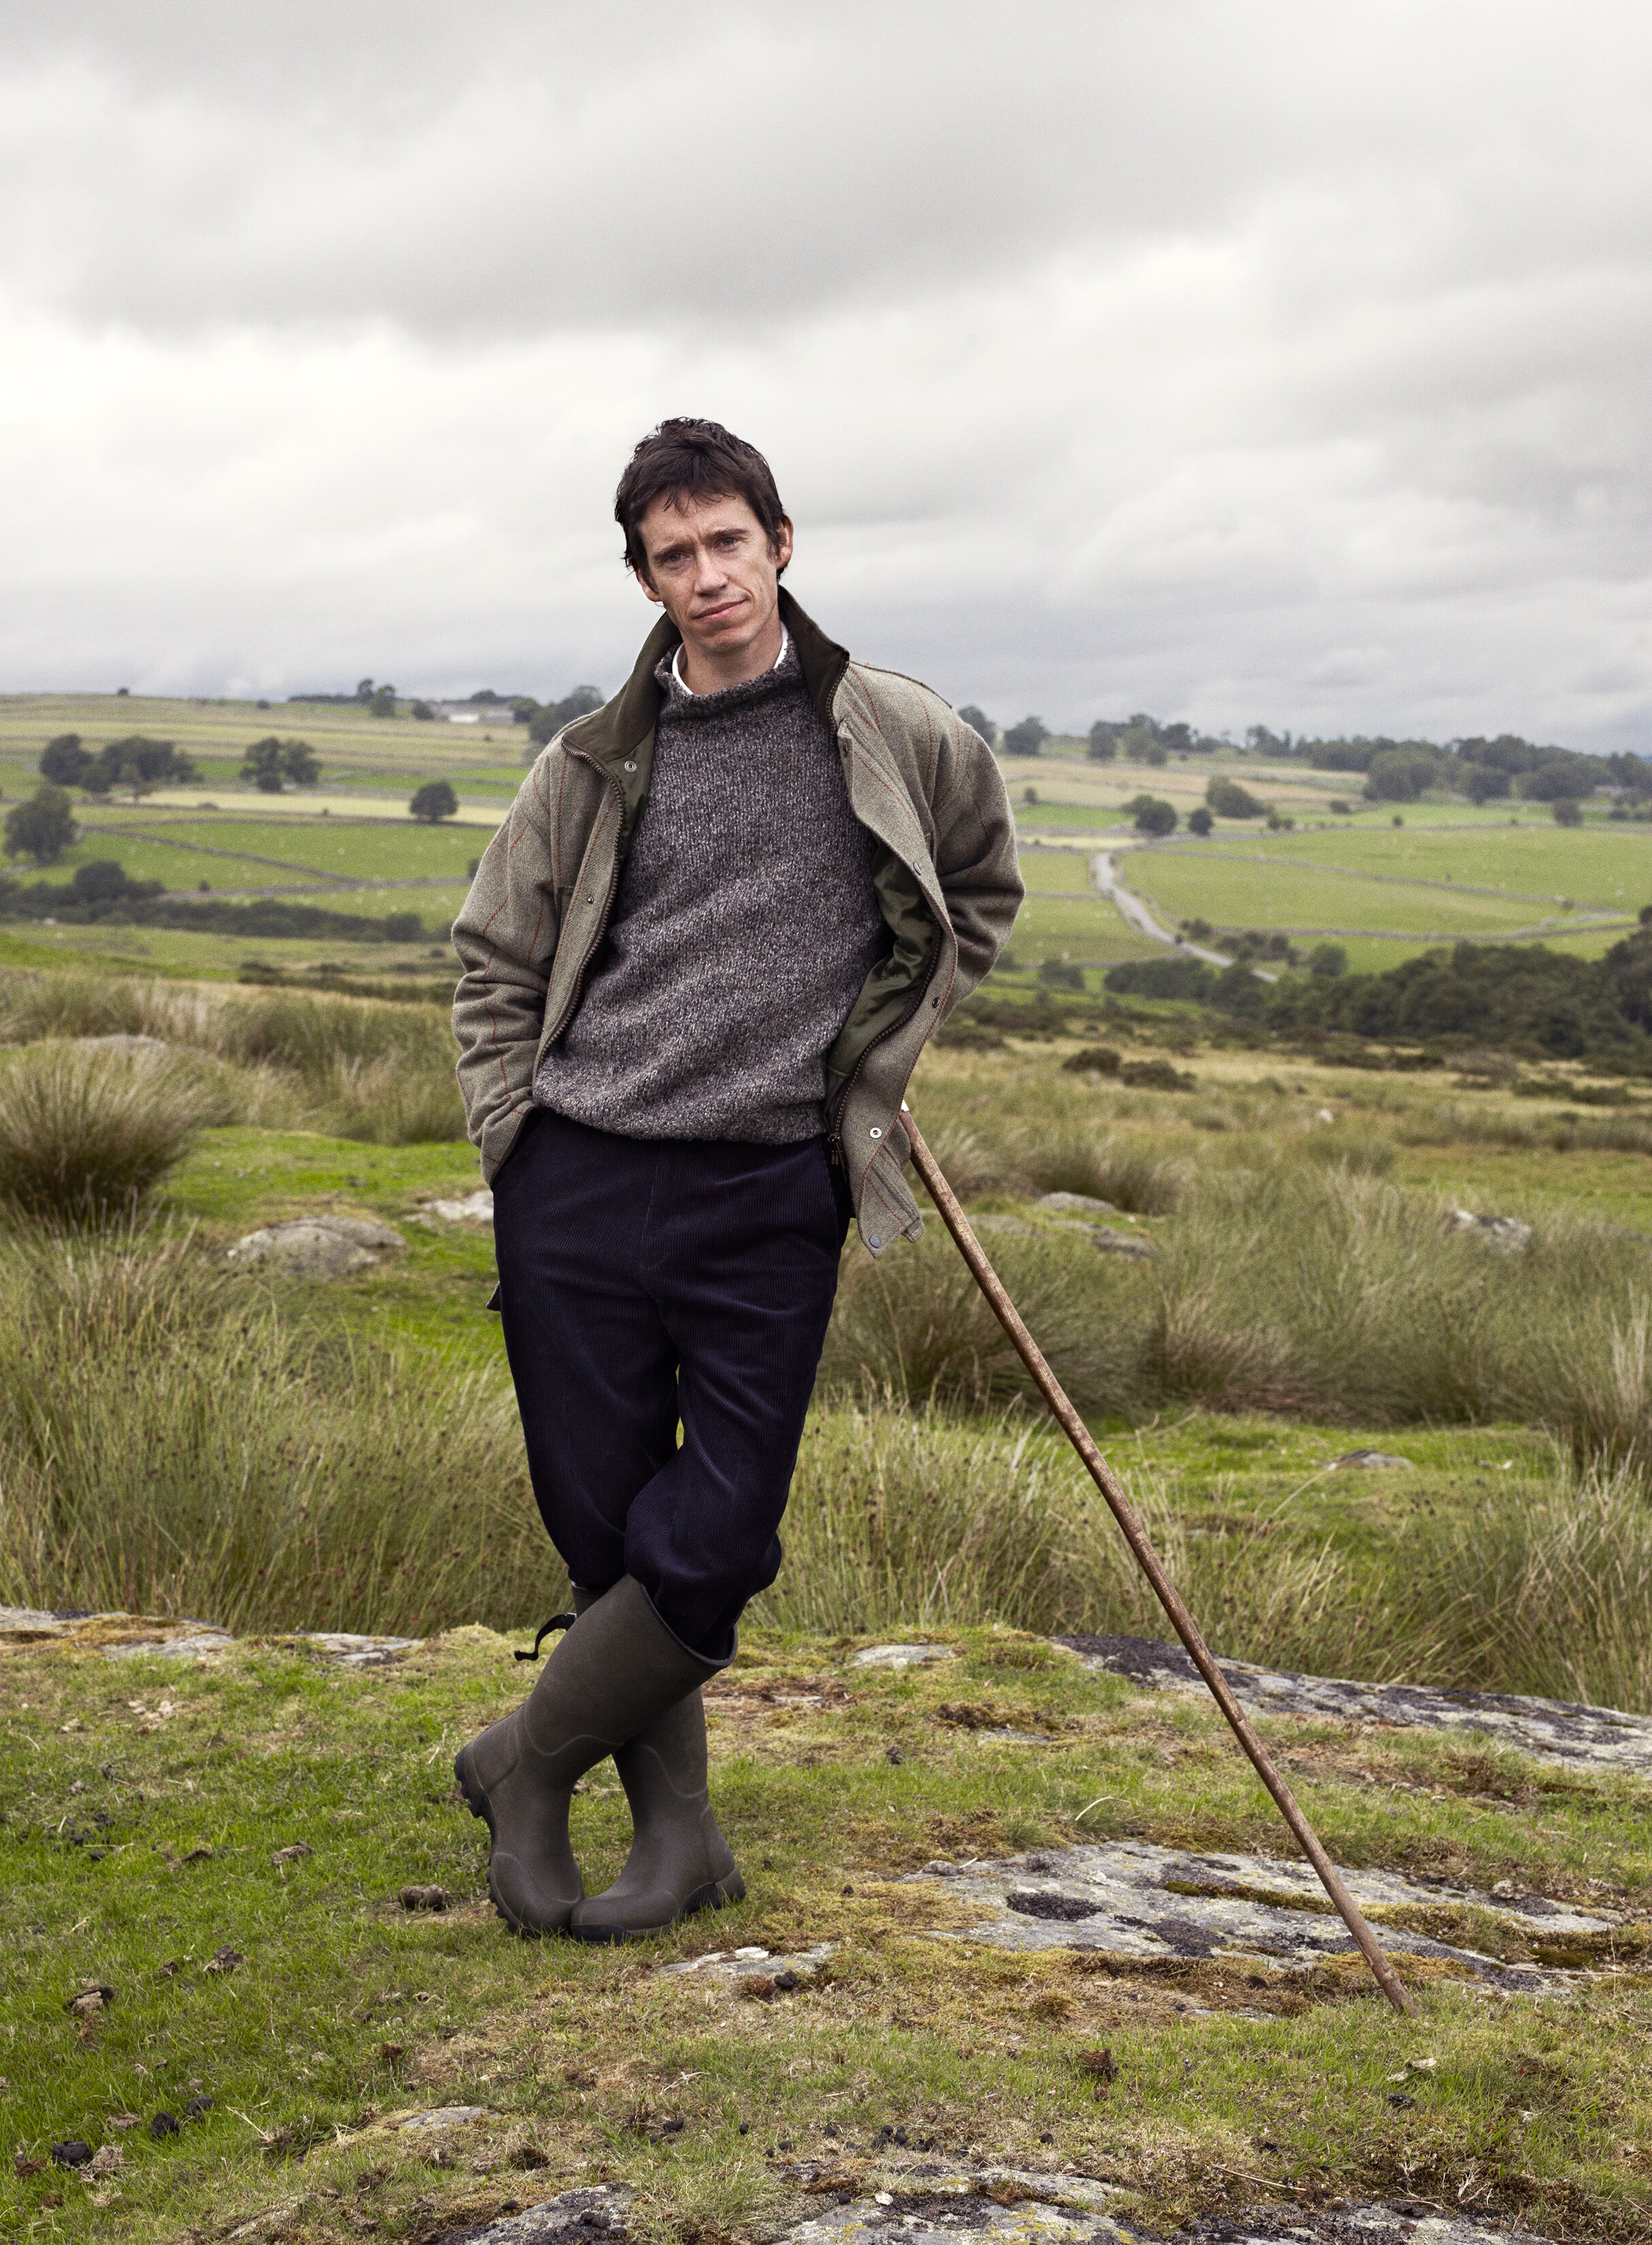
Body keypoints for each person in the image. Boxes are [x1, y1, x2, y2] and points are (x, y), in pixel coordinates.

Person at [449, 418, 1021, 1941]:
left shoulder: (899, 729)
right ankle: (679, 1841)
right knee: (606, 1531)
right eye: (672, 556)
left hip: (771, 1183)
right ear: (642, 577)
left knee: (717, 1536)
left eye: (727, 543)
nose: (707, 576)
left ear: (781, 542)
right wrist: (513, 1135)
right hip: (575, 1177)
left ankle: (521, 1761)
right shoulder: (589, 762)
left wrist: (882, 1053)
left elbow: (977, 886)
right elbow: (493, 959)